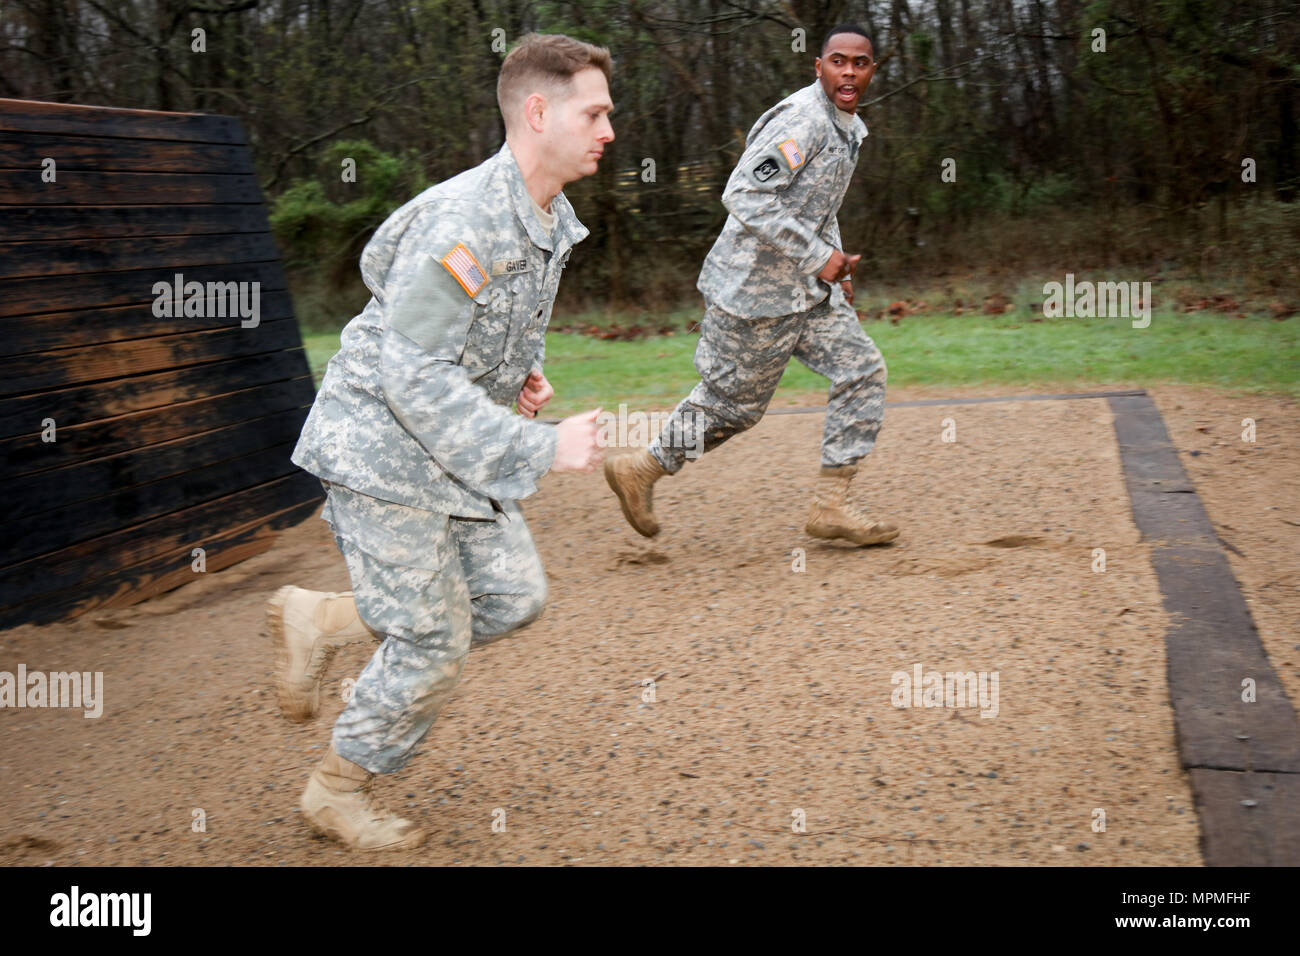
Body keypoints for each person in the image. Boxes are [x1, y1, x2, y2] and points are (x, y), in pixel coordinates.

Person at [265, 32, 611, 851]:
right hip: (381, 452)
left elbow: (476, 334)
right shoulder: (467, 221)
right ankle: (336, 791)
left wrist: (519, 379)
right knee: (432, 637)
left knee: (513, 596)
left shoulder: (547, 215)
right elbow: (410, 373)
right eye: (594, 113)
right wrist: (541, 448)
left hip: (453, 455)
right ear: (538, 111)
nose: (607, 131)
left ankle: (324, 619)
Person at [605, 24, 899, 547]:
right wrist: (817, 256)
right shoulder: (803, 122)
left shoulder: (845, 126)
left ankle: (831, 504)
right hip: (754, 295)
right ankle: (642, 469)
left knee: (862, 369)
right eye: (838, 61)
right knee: (732, 408)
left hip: (807, 293)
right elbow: (744, 194)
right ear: (819, 66)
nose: (849, 72)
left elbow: (816, 205)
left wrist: (833, 266)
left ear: (873, 69)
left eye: (860, 62)